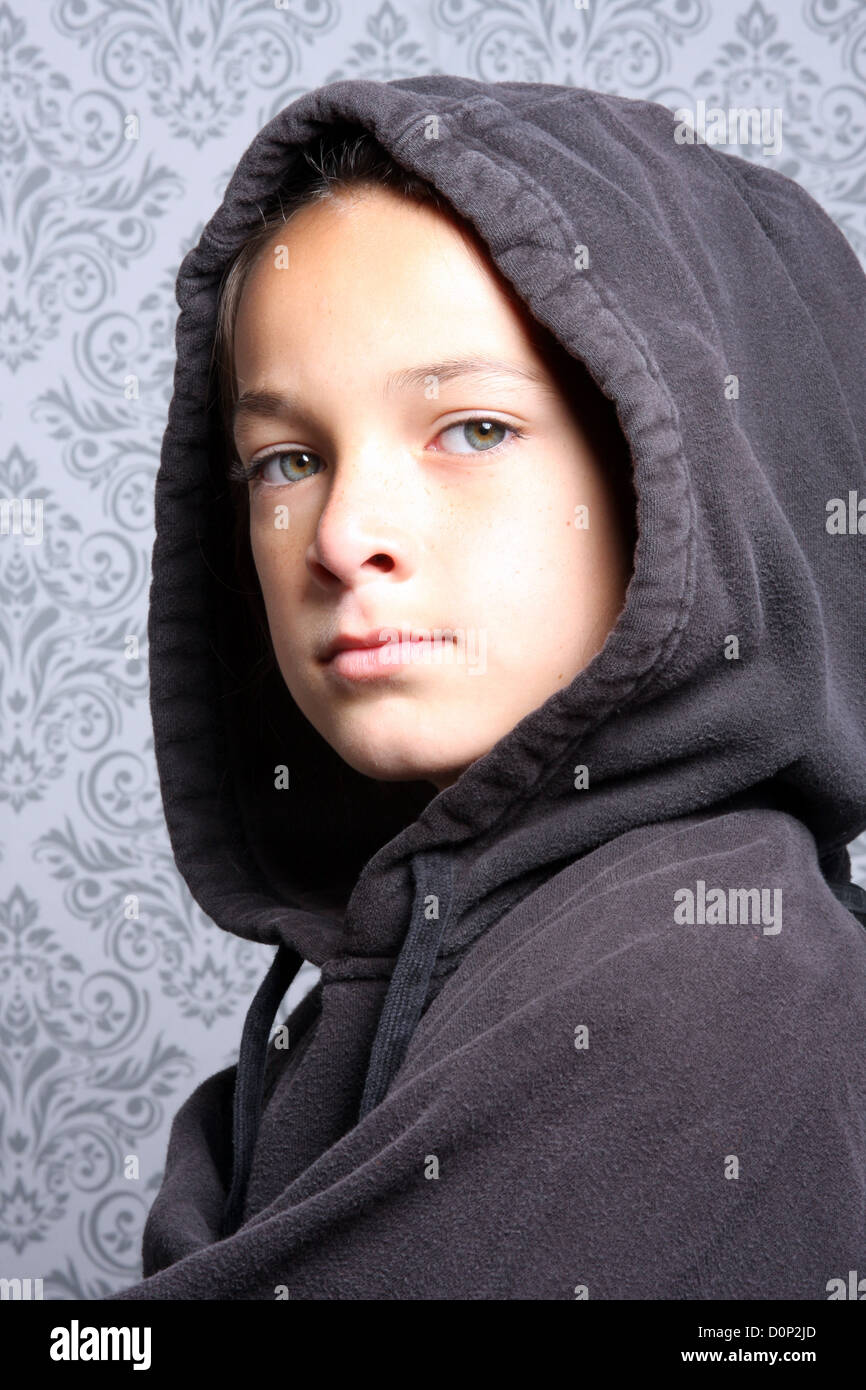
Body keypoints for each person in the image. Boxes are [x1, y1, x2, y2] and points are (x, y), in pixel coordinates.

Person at [109, 75, 866, 1301]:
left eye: (470, 429)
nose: (343, 532)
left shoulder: (702, 977)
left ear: (688, 476)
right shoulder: (421, 956)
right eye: (287, 458)